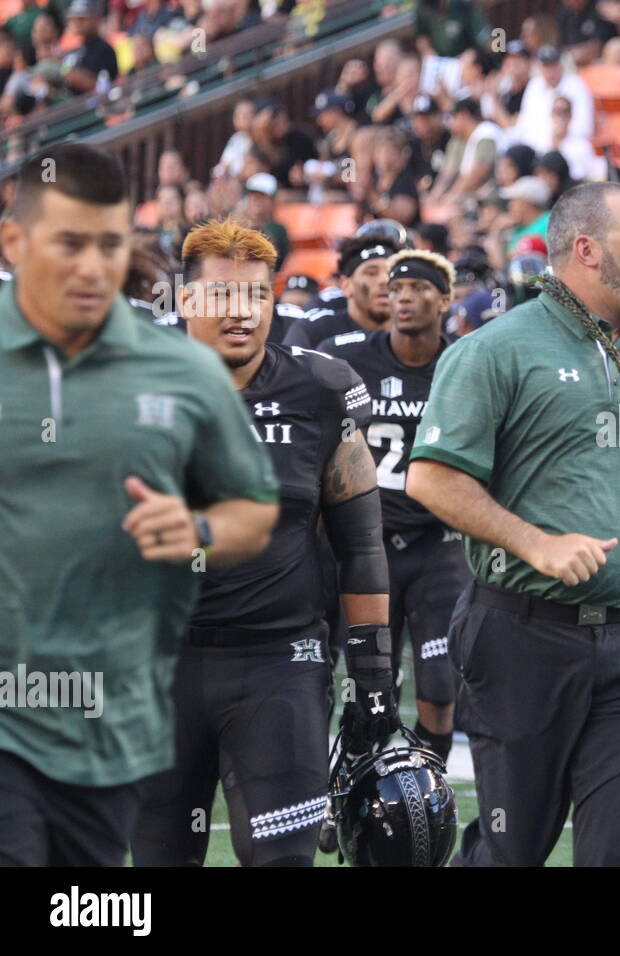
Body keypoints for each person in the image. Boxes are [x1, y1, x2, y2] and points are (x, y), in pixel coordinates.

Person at [404, 181, 620, 866]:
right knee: (512, 847)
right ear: (585, 248)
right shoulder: (494, 349)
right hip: (524, 634)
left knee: (615, 849)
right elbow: (430, 477)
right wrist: (536, 543)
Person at [0, 144, 280, 867]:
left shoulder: (182, 369)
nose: (93, 266)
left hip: (112, 714)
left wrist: (197, 529)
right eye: (70, 243)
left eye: (110, 244)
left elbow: (253, 510)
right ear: (15, 242)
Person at [131, 220, 397, 867]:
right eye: (222, 296)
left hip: (279, 662)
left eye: (256, 296)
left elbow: (360, 545)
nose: (241, 312)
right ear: (186, 300)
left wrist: (373, 676)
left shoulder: (319, 388)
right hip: (155, 665)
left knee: (282, 860)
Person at [320, 249, 469, 766]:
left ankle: (433, 782)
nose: (404, 297)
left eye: (420, 289)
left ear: (445, 299)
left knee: (440, 679)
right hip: (368, 545)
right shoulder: (351, 362)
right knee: (369, 680)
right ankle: (353, 784)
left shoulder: (464, 365)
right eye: (398, 288)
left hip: (438, 544)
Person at [283, 232, 396, 347]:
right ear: (346, 286)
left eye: (391, 273)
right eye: (371, 273)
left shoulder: (412, 333)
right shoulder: (313, 331)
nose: (385, 280)